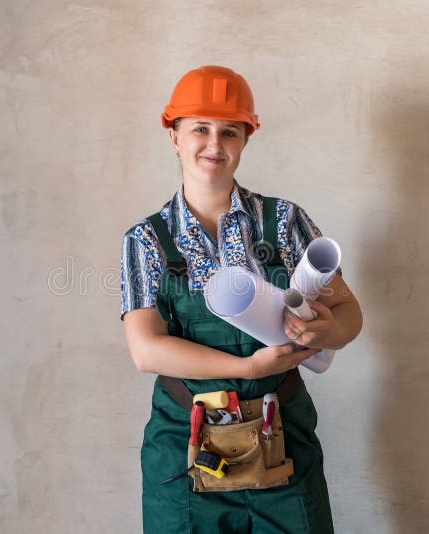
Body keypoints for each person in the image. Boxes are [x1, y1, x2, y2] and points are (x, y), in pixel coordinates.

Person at [120, 65, 363, 533]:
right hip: (187, 449)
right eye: (199, 129)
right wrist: (247, 368)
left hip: (282, 438)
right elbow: (145, 349)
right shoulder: (146, 239)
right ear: (174, 136)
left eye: (229, 131)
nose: (214, 144)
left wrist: (325, 330)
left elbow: (349, 313)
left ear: (246, 139)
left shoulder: (285, 222)